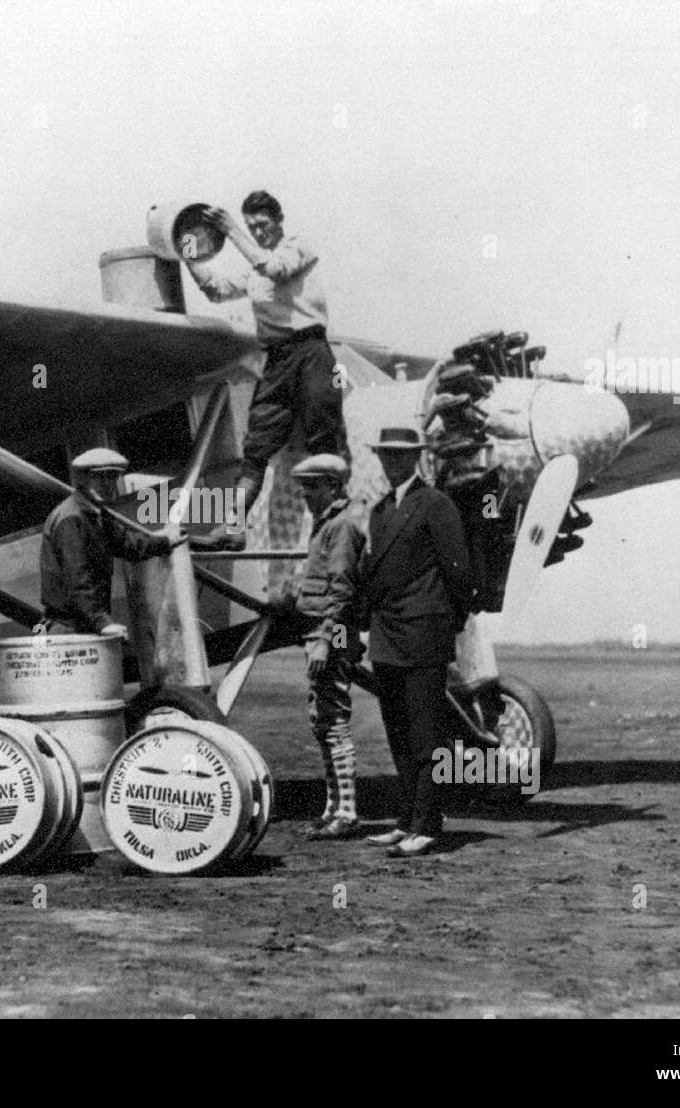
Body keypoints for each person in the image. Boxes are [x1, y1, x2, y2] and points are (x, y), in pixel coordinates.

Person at [182, 190, 347, 551]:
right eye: (251, 226)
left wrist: (233, 231)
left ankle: (334, 527)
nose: (257, 231)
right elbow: (218, 290)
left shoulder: (297, 246)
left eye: (262, 224)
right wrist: (189, 253)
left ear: (278, 220)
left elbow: (276, 269)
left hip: (311, 351)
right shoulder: (254, 268)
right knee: (255, 449)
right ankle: (232, 527)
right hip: (277, 360)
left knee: (323, 439)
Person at [360, 427, 474, 858]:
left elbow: (458, 570)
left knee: (428, 735)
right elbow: (375, 576)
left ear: (415, 458)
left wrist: (448, 620)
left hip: (424, 633)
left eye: (400, 456)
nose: (392, 463)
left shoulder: (435, 504)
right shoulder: (381, 509)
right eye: (386, 455)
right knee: (399, 734)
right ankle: (407, 820)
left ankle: (428, 824)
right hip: (388, 635)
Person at [290, 453, 366, 840]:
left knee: (333, 723)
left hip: (331, 632)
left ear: (333, 487)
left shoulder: (339, 527)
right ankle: (334, 807)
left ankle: (347, 812)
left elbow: (342, 591)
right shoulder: (329, 524)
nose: (305, 493)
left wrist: (324, 641)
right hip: (323, 631)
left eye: (312, 485)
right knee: (323, 721)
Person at [37, 448, 185, 637]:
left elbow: (128, 544)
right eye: (98, 477)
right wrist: (102, 623)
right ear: (81, 480)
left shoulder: (95, 514)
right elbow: (78, 579)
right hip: (69, 629)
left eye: (112, 477)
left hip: (82, 624)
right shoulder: (71, 519)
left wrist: (165, 539)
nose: (106, 484)